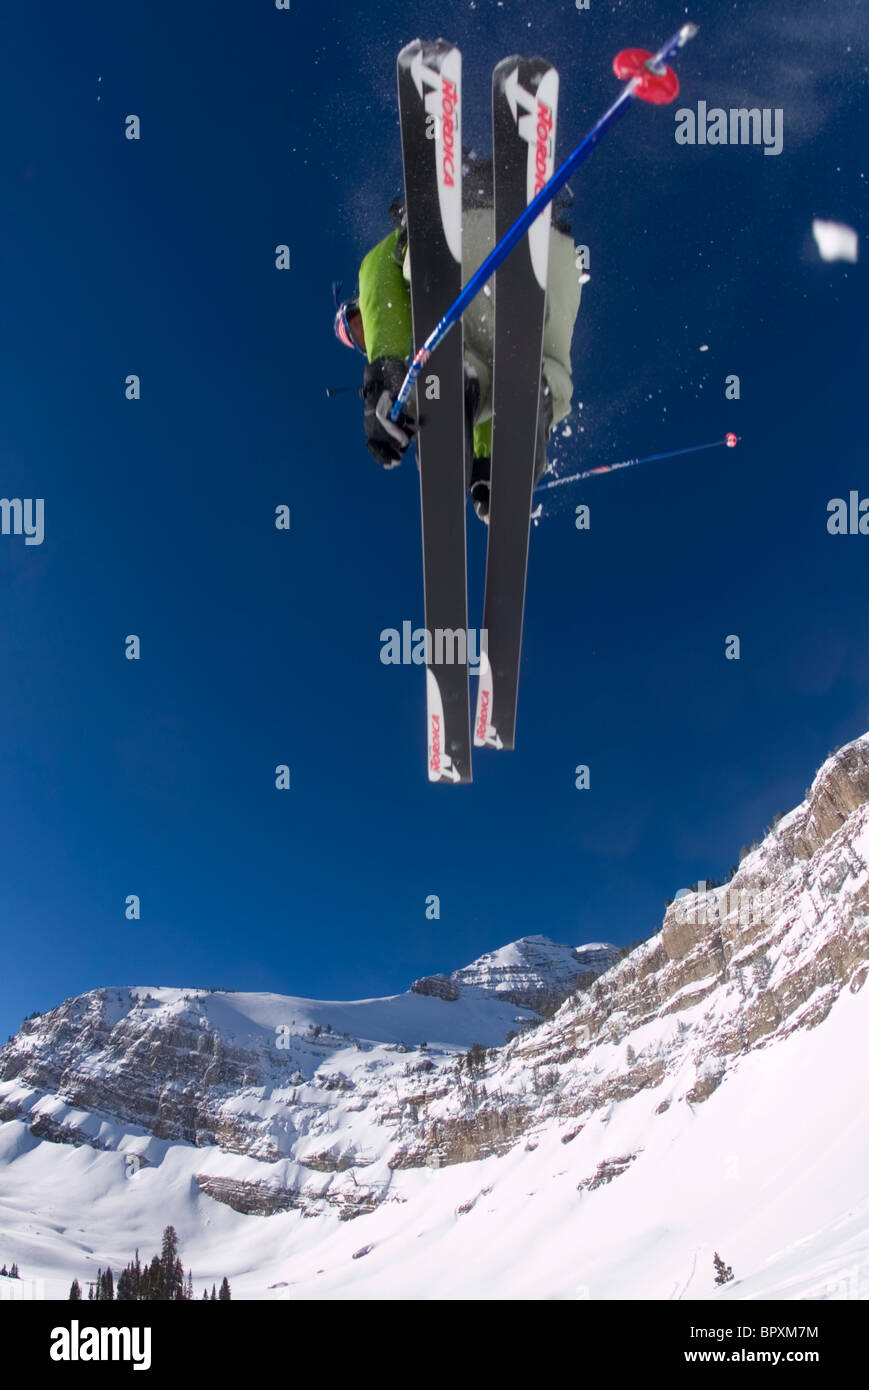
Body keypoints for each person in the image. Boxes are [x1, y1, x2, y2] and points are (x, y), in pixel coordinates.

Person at [334, 157, 583, 522]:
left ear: (360, 305)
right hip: (553, 256)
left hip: (459, 241)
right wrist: (486, 467)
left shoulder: (384, 277)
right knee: (538, 373)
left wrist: (383, 380)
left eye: (357, 323)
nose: (366, 335)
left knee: (440, 367)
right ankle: (511, 401)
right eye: (359, 338)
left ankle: (456, 389)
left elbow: (375, 269)